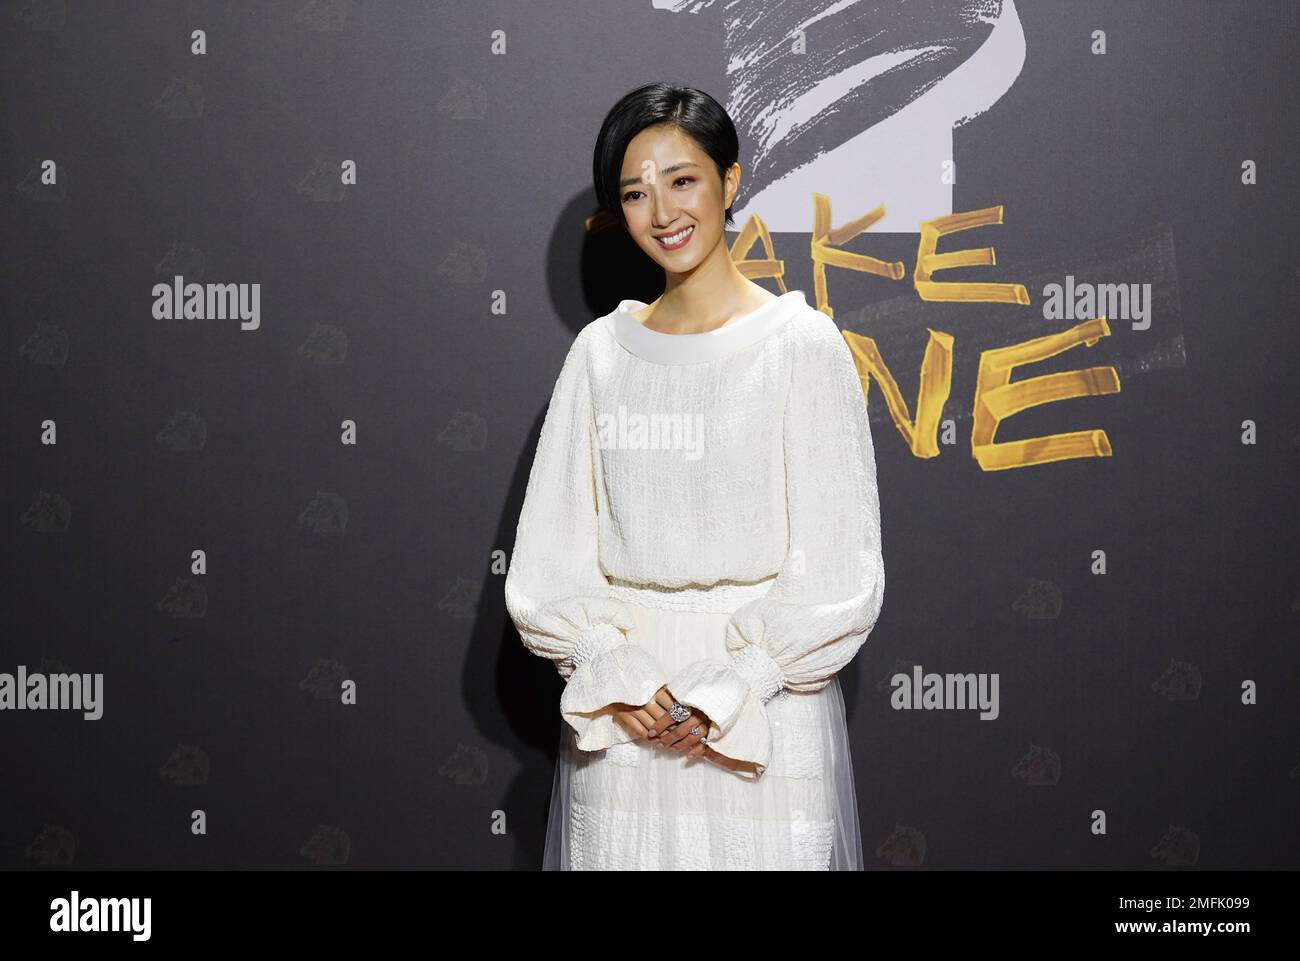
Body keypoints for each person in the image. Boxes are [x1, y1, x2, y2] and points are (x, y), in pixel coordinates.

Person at [504, 82, 885, 870]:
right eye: (635, 193)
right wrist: (612, 669)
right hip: (627, 717)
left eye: (682, 181)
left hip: (763, 715)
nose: (663, 213)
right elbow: (549, 558)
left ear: (730, 181)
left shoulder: (801, 346)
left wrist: (740, 681)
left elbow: (840, 566)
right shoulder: (599, 356)